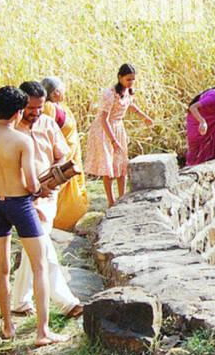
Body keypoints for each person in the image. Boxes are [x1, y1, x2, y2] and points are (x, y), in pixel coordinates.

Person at [0, 86, 66, 346]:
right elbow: (30, 184)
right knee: (39, 266)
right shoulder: (21, 141)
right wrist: (42, 188)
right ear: (18, 112)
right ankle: (43, 332)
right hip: (20, 205)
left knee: (1, 269)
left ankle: (7, 326)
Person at [9, 81, 83, 319]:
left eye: (40, 107)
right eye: (31, 108)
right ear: (21, 104)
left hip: (48, 197)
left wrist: (53, 178)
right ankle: (67, 303)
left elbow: (62, 156)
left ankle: (19, 301)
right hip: (21, 198)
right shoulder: (9, 128)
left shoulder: (48, 124)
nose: (36, 112)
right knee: (41, 244)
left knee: (36, 246)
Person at [83, 63, 155, 207]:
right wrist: (113, 140)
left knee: (121, 164)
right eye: (128, 79)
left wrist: (144, 117)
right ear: (120, 77)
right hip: (105, 129)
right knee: (108, 166)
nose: (131, 82)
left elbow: (130, 105)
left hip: (117, 126)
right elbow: (104, 118)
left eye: (133, 79)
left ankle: (122, 197)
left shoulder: (128, 91)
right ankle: (111, 201)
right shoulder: (110, 93)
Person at [41, 76, 90, 231]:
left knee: (74, 185)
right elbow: (47, 132)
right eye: (61, 90)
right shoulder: (48, 108)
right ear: (55, 92)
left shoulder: (60, 105)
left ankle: (72, 217)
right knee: (61, 187)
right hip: (61, 156)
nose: (64, 92)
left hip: (70, 152)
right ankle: (60, 221)